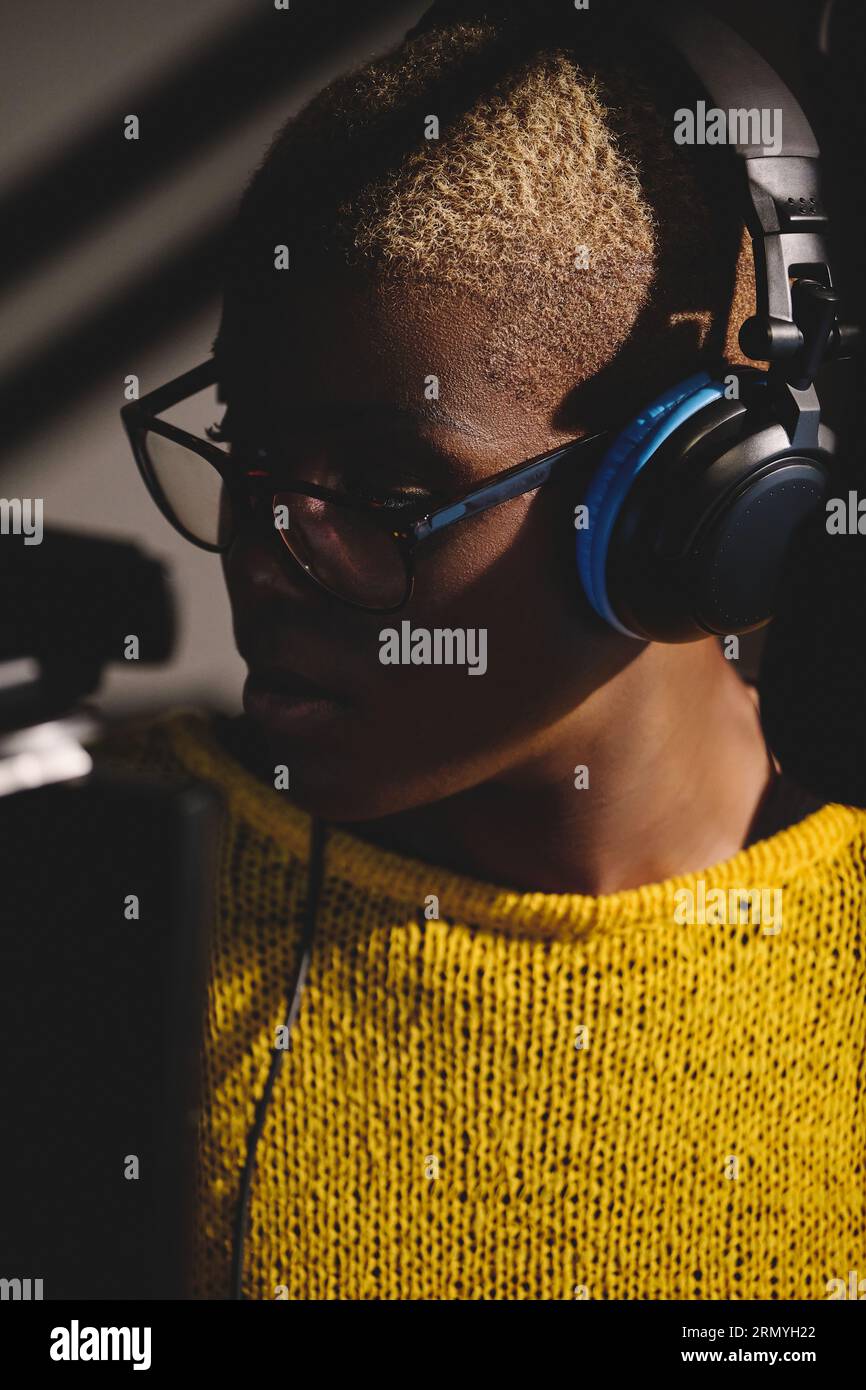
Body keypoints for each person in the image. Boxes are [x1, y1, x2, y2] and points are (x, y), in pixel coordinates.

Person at [104, 0, 866, 1299]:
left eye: (390, 487)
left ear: (685, 506)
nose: (262, 555)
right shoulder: (90, 893)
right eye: (247, 445)